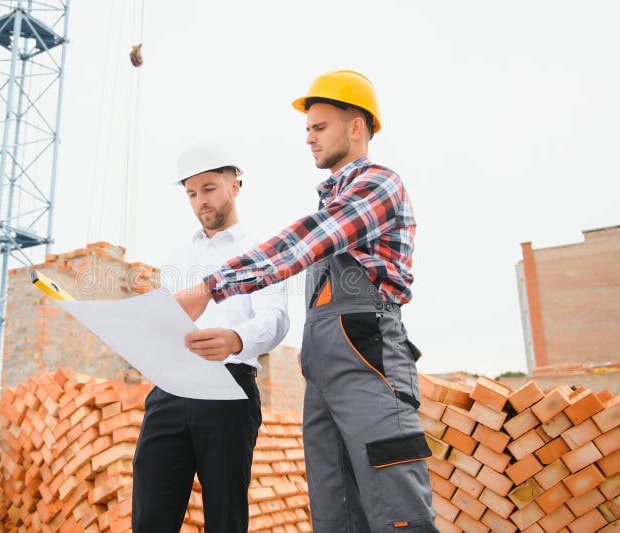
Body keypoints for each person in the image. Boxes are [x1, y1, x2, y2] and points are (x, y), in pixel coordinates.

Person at [174, 71, 438, 532]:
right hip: (324, 368)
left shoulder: (377, 184)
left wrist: (210, 287)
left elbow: (303, 243)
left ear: (356, 127)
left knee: (396, 508)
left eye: (319, 127)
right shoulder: (332, 200)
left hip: (369, 359)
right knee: (335, 510)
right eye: (308, 129)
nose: (309, 138)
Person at [131, 145, 290, 533]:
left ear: (235, 186)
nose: (201, 201)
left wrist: (236, 339)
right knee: (151, 516)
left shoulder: (261, 250)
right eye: (191, 193)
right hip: (170, 390)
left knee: (225, 517)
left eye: (209, 188)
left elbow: (276, 317)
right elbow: (167, 321)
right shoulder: (178, 256)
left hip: (228, 389)